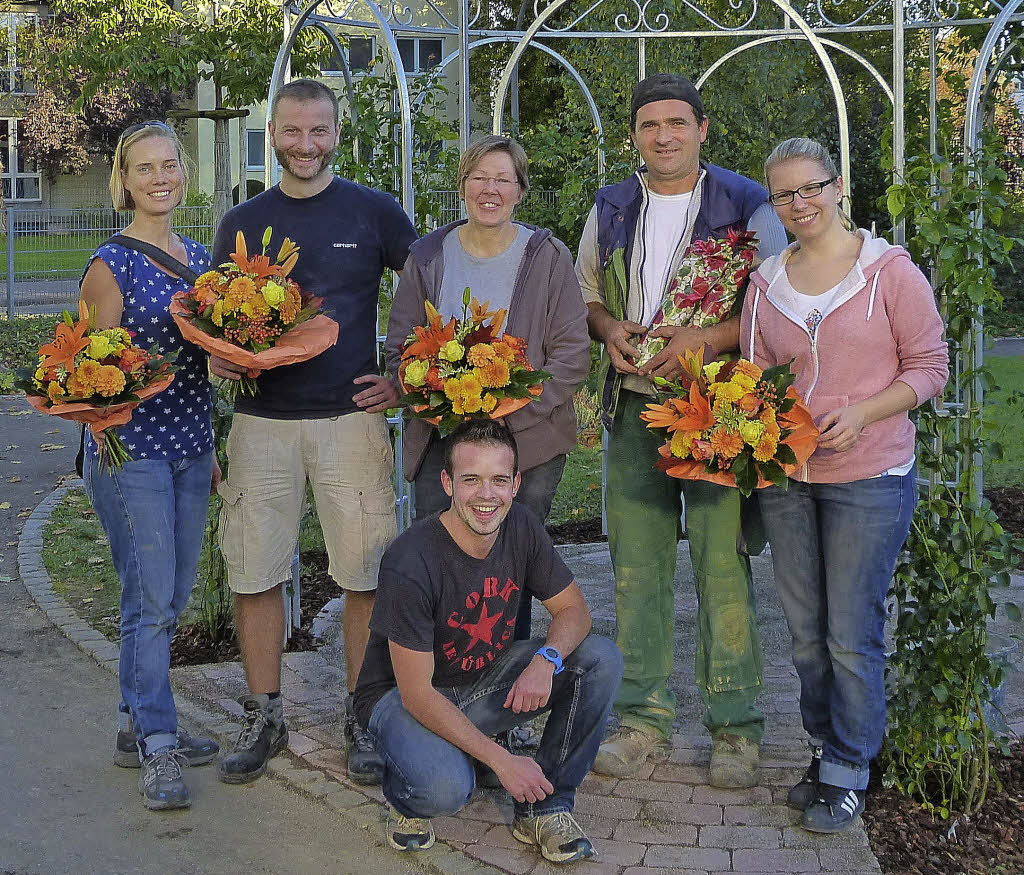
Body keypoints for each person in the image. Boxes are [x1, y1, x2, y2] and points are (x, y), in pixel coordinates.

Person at [576, 73, 788, 786]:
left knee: (721, 565)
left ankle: (736, 726)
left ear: (702, 128)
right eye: (648, 125)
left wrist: (713, 337)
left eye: (676, 122)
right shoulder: (610, 204)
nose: (662, 135)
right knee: (636, 570)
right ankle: (642, 719)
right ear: (634, 134)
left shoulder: (747, 203)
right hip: (635, 408)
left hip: (719, 411)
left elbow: (780, 297)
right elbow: (584, 294)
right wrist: (606, 327)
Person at [210, 79, 417, 786]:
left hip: (349, 423)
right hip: (260, 424)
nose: (306, 145)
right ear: (272, 132)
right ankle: (265, 712)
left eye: (319, 131)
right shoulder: (240, 223)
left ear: (337, 132)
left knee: (365, 576)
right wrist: (221, 352)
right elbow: (217, 319)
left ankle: (361, 716)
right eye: (292, 131)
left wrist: (402, 375)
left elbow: (423, 293)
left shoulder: (374, 212)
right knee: (254, 569)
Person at [741, 137, 948, 832]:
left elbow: (929, 367)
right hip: (789, 477)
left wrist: (863, 411)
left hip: (870, 473)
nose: (799, 204)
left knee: (850, 631)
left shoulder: (888, 272)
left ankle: (852, 763)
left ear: (837, 188)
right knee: (804, 632)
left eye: (811, 189)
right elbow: (756, 374)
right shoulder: (766, 280)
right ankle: (826, 746)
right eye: (784, 194)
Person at [353, 420, 622, 863]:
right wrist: (502, 759)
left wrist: (547, 660)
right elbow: (417, 694)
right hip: (402, 697)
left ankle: (544, 806)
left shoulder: (521, 526)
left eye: (499, 480)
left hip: (480, 680)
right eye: (471, 480)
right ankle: (406, 795)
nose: (486, 495)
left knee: (598, 659)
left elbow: (575, 612)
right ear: (447, 483)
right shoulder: (409, 560)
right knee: (446, 788)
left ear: (516, 484)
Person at [385, 134, 590, 643]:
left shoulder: (546, 255)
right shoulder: (429, 255)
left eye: (503, 179)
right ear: (463, 185)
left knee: (512, 560)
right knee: (444, 560)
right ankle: (442, 687)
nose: (490, 189)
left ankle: (506, 686)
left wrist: (510, 412)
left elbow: (571, 354)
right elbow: (401, 351)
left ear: (520, 190)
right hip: (444, 441)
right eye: (479, 178)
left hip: (530, 443)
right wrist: (436, 401)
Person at [79, 121, 220, 810]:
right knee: (151, 598)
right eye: (145, 168)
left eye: (169, 165)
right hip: (128, 450)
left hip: (191, 448)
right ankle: (159, 743)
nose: (159, 177)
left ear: (181, 174)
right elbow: (90, 371)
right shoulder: (112, 264)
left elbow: (203, 366)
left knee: (172, 591)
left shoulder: (197, 255)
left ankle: (133, 722)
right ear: (124, 181)